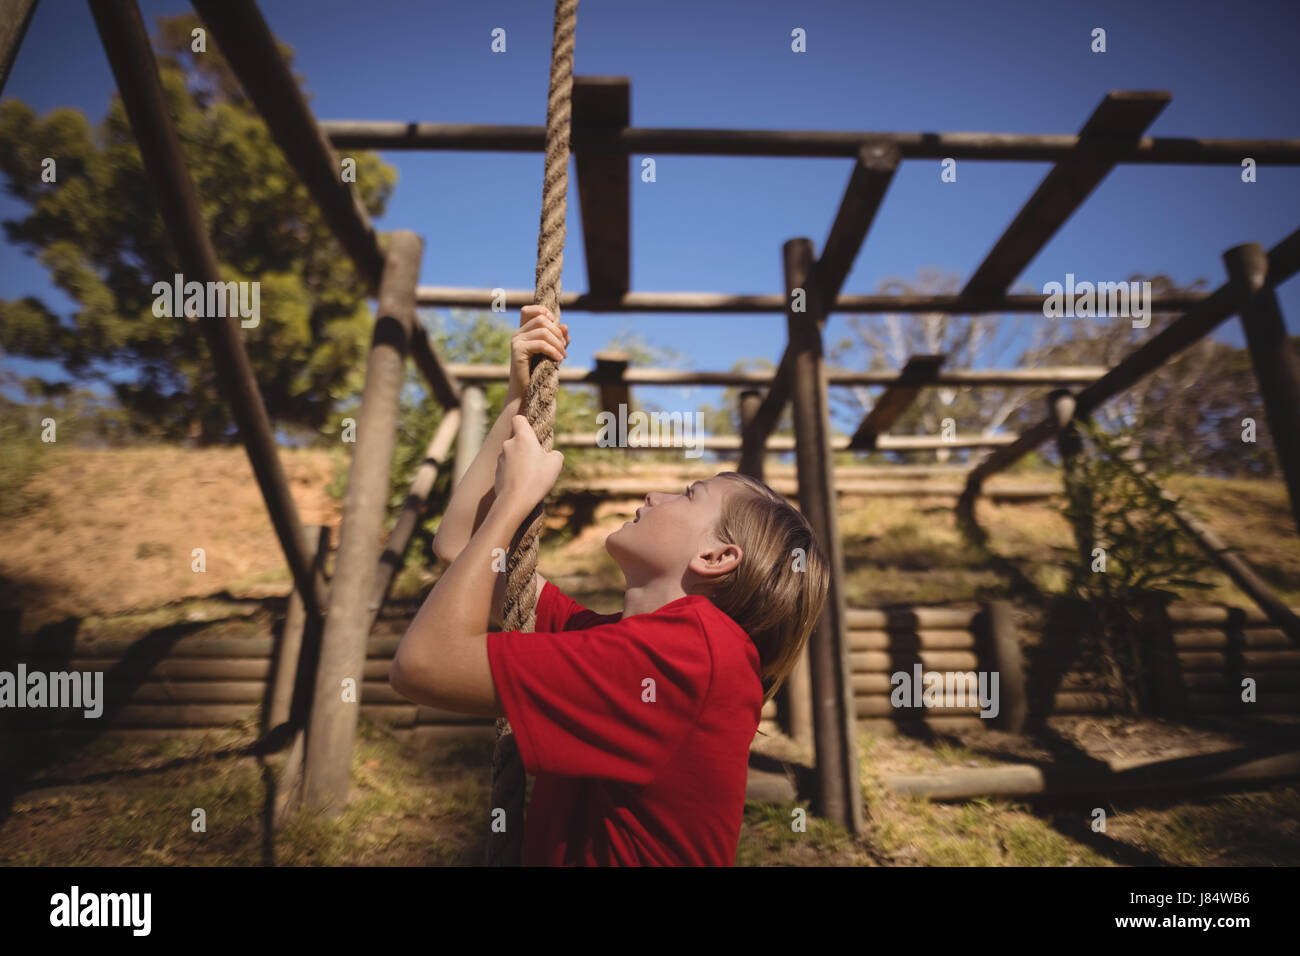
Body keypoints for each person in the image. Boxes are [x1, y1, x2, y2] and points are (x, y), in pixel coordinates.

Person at [390, 305, 830, 865]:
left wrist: (516, 502)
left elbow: (422, 664)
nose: (656, 496)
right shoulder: (621, 646)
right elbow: (459, 546)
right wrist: (517, 402)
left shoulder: (691, 654)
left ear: (717, 556)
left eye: (689, 495)